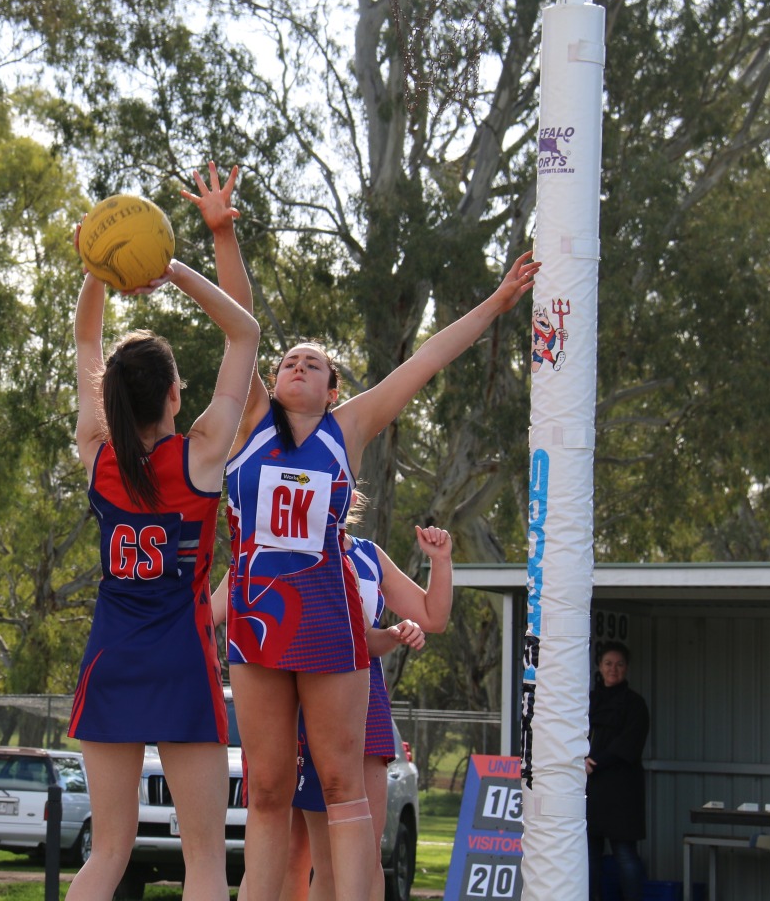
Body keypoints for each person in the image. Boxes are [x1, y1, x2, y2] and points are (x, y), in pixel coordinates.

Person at [188, 161, 538, 901]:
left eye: (311, 362)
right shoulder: (250, 420)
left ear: (332, 387)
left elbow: (429, 359)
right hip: (255, 618)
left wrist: (499, 301)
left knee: (345, 785)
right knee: (268, 791)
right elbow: (238, 323)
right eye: (289, 360)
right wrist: (222, 233)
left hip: (327, 617)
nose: (294, 364)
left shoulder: (345, 431)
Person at [65, 174, 260, 901]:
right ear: (176, 395)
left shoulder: (99, 455)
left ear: (114, 397)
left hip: (111, 657)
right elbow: (246, 333)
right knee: (204, 861)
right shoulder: (203, 454)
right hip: (181, 661)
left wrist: (101, 268)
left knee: (108, 853)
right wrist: (168, 268)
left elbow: (88, 335)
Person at [293, 526, 452, 901]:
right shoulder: (286, 543)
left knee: (367, 858)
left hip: (367, 700)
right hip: (299, 697)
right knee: (312, 860)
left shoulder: (368, 554)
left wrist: (440, 560)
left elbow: (433, 616)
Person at [586, 641, 649, 901]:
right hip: (589, 791)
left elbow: (628, 744)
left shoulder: (635, 704)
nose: (614, 669)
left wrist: (594, 762)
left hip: (622, 792)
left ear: (627, 668)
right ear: (599, 667)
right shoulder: (586, 701)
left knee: (625, 856)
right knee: (588, 858)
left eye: (619, 664)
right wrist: (579, 760)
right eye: (608, 664)